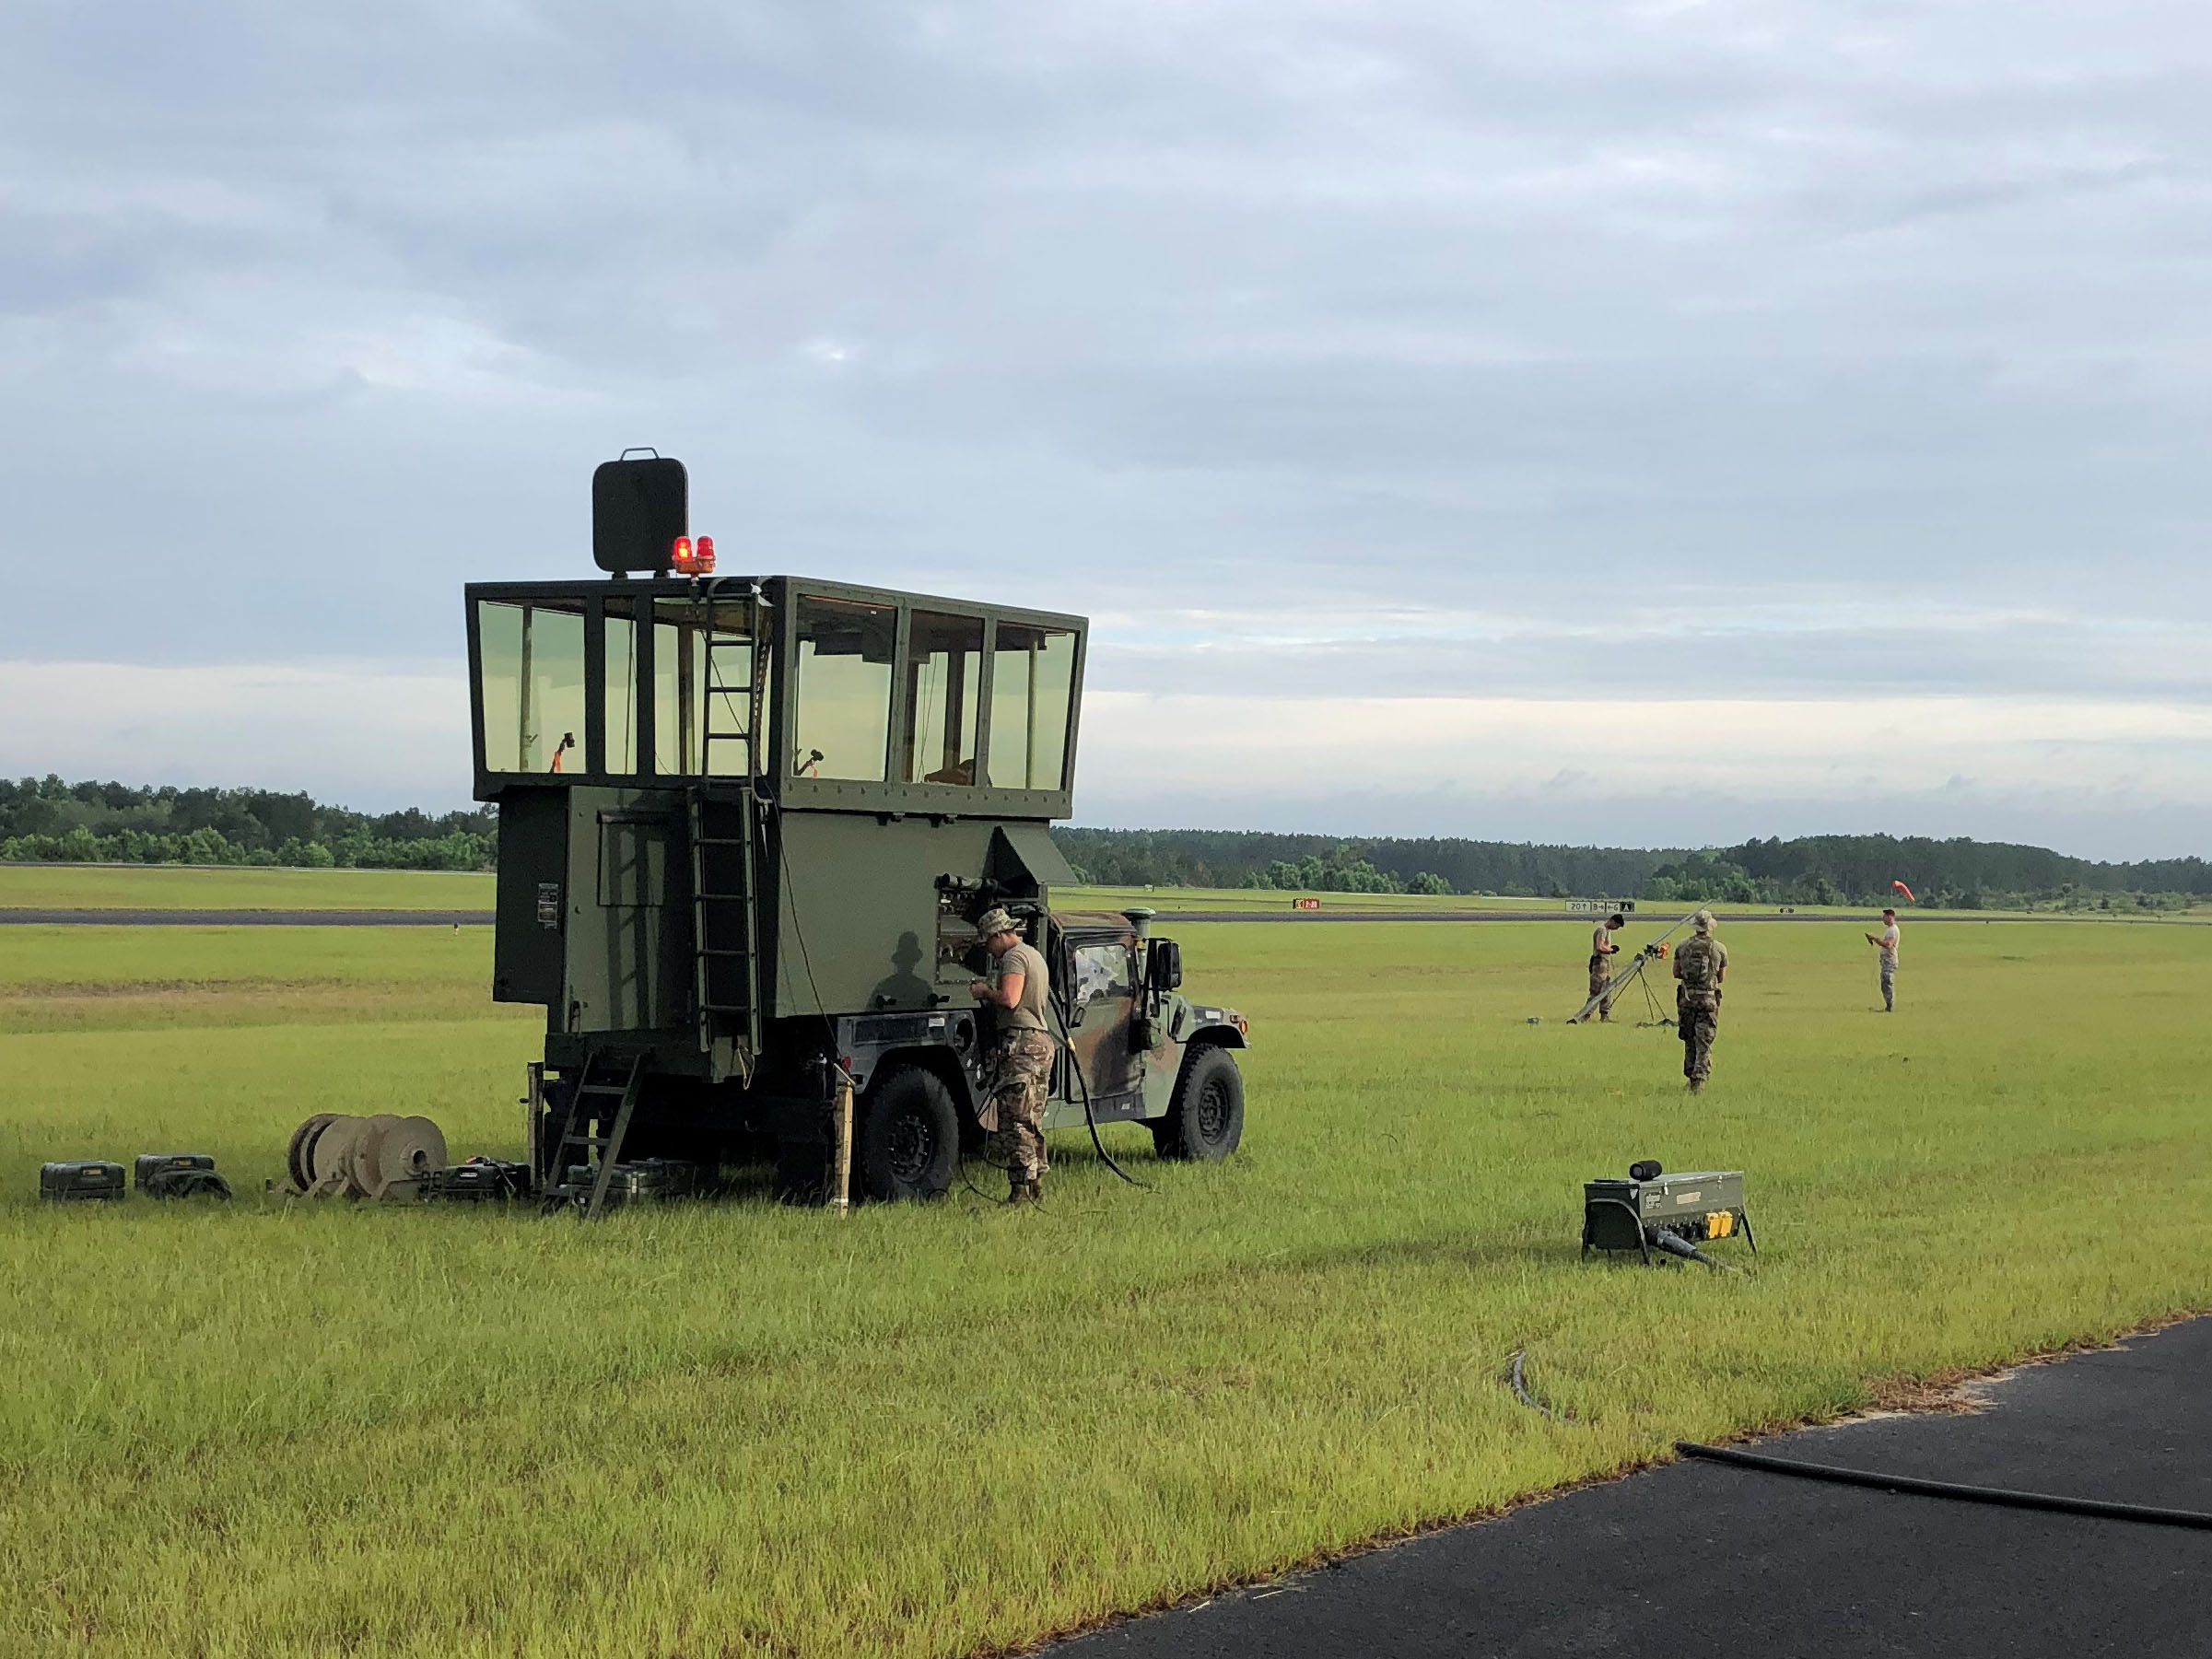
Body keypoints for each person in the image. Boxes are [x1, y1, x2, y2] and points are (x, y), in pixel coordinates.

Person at [967, 906, 1055, 1203]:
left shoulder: (1013, 958)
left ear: (999, 935)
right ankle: (1036, 1186)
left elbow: (1010, 998)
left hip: (1021, 1043)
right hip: (1040, 1042)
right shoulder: (1033, 954)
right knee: (1032, 1119)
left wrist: (984, 992)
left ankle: (1019, 1192)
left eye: (988, 942)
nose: (989, 950)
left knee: (1014, 1121)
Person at [1670, 909, 1728, 1092]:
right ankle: (1700, 1079)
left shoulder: (1682, 946)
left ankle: (1690, 1076)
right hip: (1707, 1001)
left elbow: (1676, 973)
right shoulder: (1719, 948)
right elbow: (1721, 978)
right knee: (1704, 1041)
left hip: (1687, 1000)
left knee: (1689, 1039)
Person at [1588, 912, 1626, 1022]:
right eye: (1617, 926)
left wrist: (1609, 948)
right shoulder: (1602, 930)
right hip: (1599, 963)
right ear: (1613, 921)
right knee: (1596, 991)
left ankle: (1604, 1016)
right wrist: (1611, 950)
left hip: (1605, 964)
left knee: (1606, 990)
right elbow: (1600, 947)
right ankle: (1585, 1015)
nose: (1617, 929)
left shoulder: (1607, 931)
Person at [1866, 907, 1901, 1011]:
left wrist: (1875, 939)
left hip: (1889, 960)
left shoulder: (1892, 930)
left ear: (1890, 916)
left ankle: (1889, 1006)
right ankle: (1888, 1005)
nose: (1883, 919)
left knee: (1887, 982)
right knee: (1884, 982)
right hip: (1886, 960)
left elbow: (1888, 944)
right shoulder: (1890, 930)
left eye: (1884, 917)